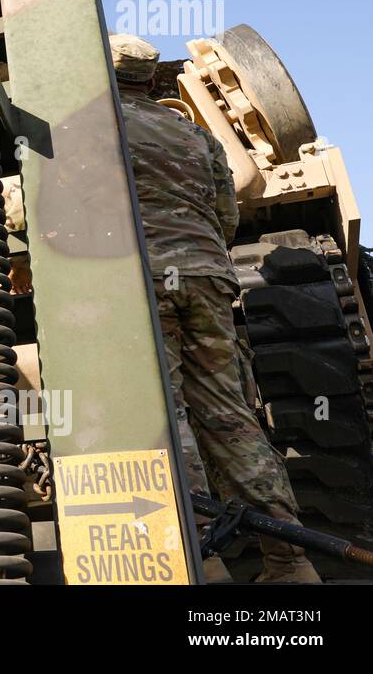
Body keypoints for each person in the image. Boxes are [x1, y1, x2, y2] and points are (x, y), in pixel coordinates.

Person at [111, 33, 321, 584]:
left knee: (163, 410)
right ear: (152, 79)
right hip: (205, 275)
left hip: (140, 278)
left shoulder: (95, 127)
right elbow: (226, 214)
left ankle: (198, 561)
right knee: (230, 414)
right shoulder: (192, 134)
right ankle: (290, 561)